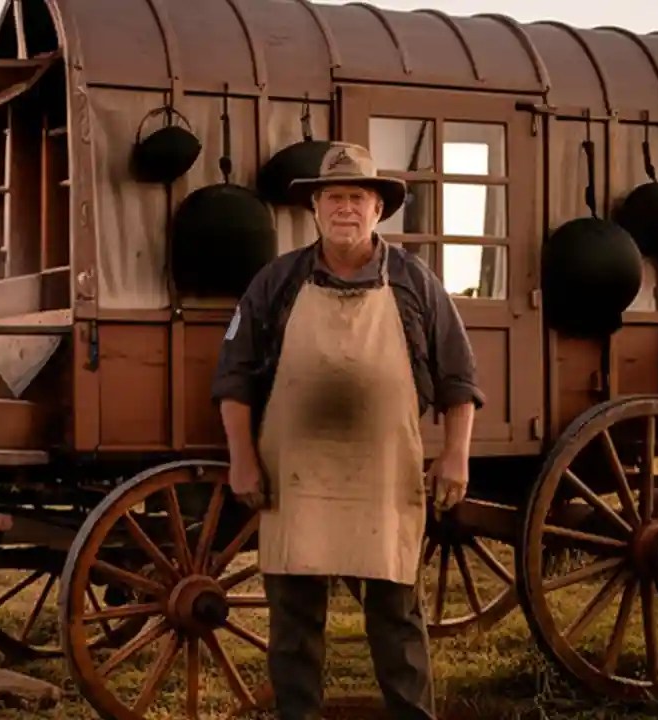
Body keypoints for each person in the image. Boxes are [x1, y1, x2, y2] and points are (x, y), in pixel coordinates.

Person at [210, 142, 484, 720]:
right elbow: (232, 376)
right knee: (294, 626)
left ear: (377, 209)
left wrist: (456, 457)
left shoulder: (417, 283)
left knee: (396, 620)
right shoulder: (276, 282)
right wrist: (243, 459)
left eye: (357, 196)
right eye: (334, 196)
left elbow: (459, 377)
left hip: (383, 478)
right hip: (295, 477)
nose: (345, 208)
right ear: (315, 206)